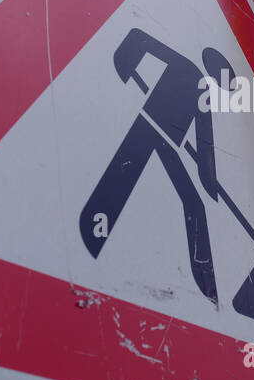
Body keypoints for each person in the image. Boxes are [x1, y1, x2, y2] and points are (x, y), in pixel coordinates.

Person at [79, 29, 232, 305]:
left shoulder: (203, 90)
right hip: (147, 126)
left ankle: (205, 281)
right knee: (121, 177)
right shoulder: (190, 70)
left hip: (167, 143)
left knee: (193, 203)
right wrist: (124, 63)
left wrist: (209, 181)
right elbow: (139, 38)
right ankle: (92, 231)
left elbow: (204, 143)